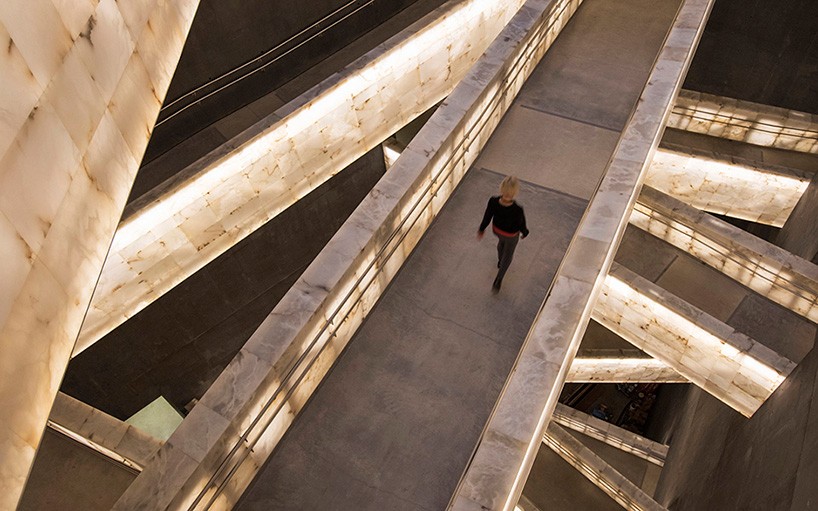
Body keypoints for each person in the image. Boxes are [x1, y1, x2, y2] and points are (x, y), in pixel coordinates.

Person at [477, 175, 529, 293]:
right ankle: (499, 279)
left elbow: (487, 216)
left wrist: (481, 229)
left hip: (497, 230)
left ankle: (500, 260)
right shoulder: (517, 209)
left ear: (502, 188)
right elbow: (521, 224)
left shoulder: (493, 201)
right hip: (511, 235)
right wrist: (525, 233)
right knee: (508, 255)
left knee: (501, 243)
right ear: (515, 192)